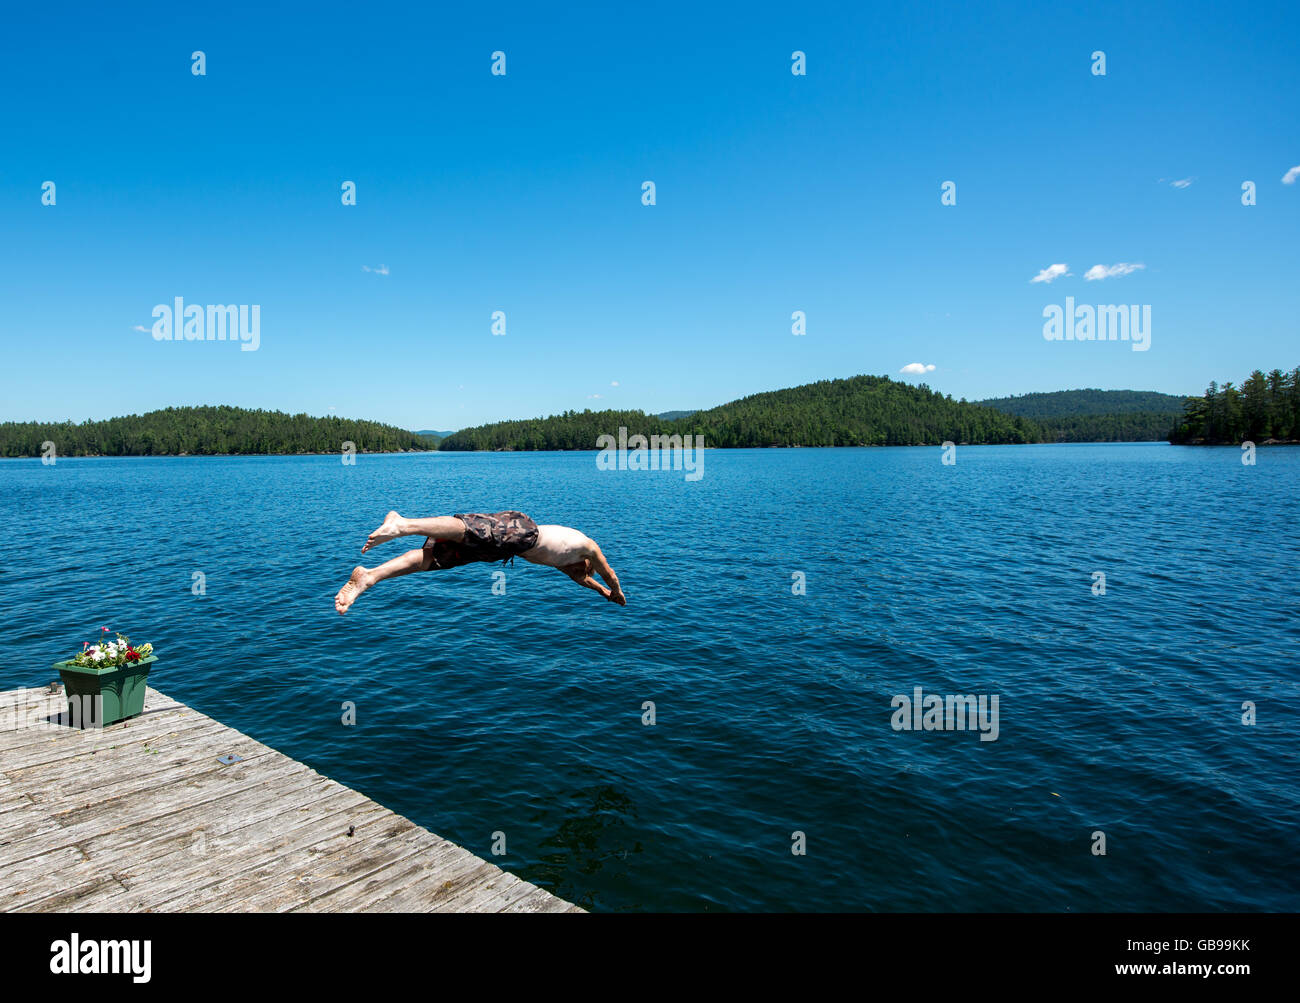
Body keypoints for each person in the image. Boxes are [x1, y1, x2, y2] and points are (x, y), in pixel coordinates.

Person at [334, 510, 626, 613]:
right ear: (586, 563)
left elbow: (586, 582)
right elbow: (608, 573)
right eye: (582, 572)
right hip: (523, 530)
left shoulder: (569, 567)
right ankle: (403, 524)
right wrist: (616, 590)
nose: (578, 575)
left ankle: (369, 577)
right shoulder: (588, 548)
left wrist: (603, 594)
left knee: (435, 558)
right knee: (470, 529)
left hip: (503, 551)